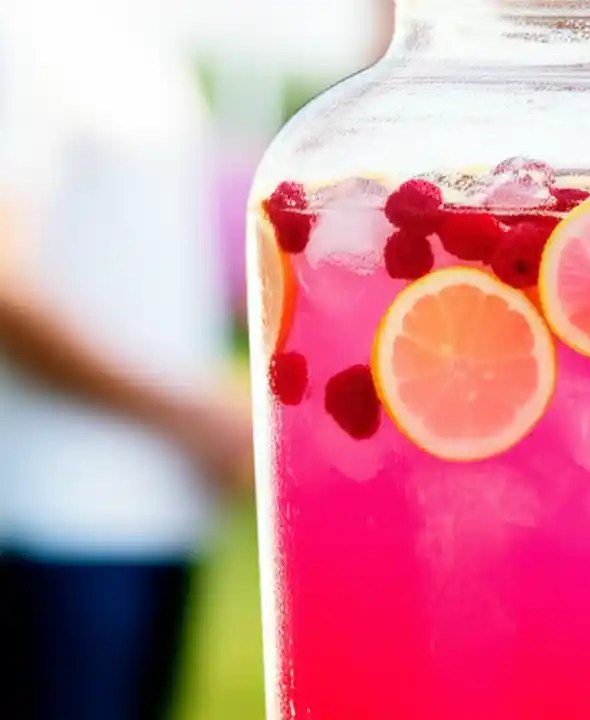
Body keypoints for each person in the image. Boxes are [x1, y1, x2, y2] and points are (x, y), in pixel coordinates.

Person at [0, 2, 252, 718]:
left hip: (158, 514)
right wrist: (192, 416)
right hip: (57, 521)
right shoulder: (21, 33)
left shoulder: (140, 41)